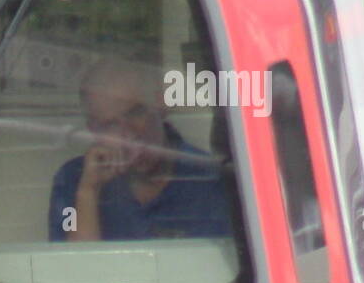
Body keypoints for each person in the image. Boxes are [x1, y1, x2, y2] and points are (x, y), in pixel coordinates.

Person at [48, 57, 233, 242]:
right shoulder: (74, 180)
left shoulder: (210, 180)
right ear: (94, 131)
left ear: (160, 105)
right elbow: (71, 266)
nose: (128, 134)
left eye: (135, 113)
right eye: (110, 125)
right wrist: (89, 192)